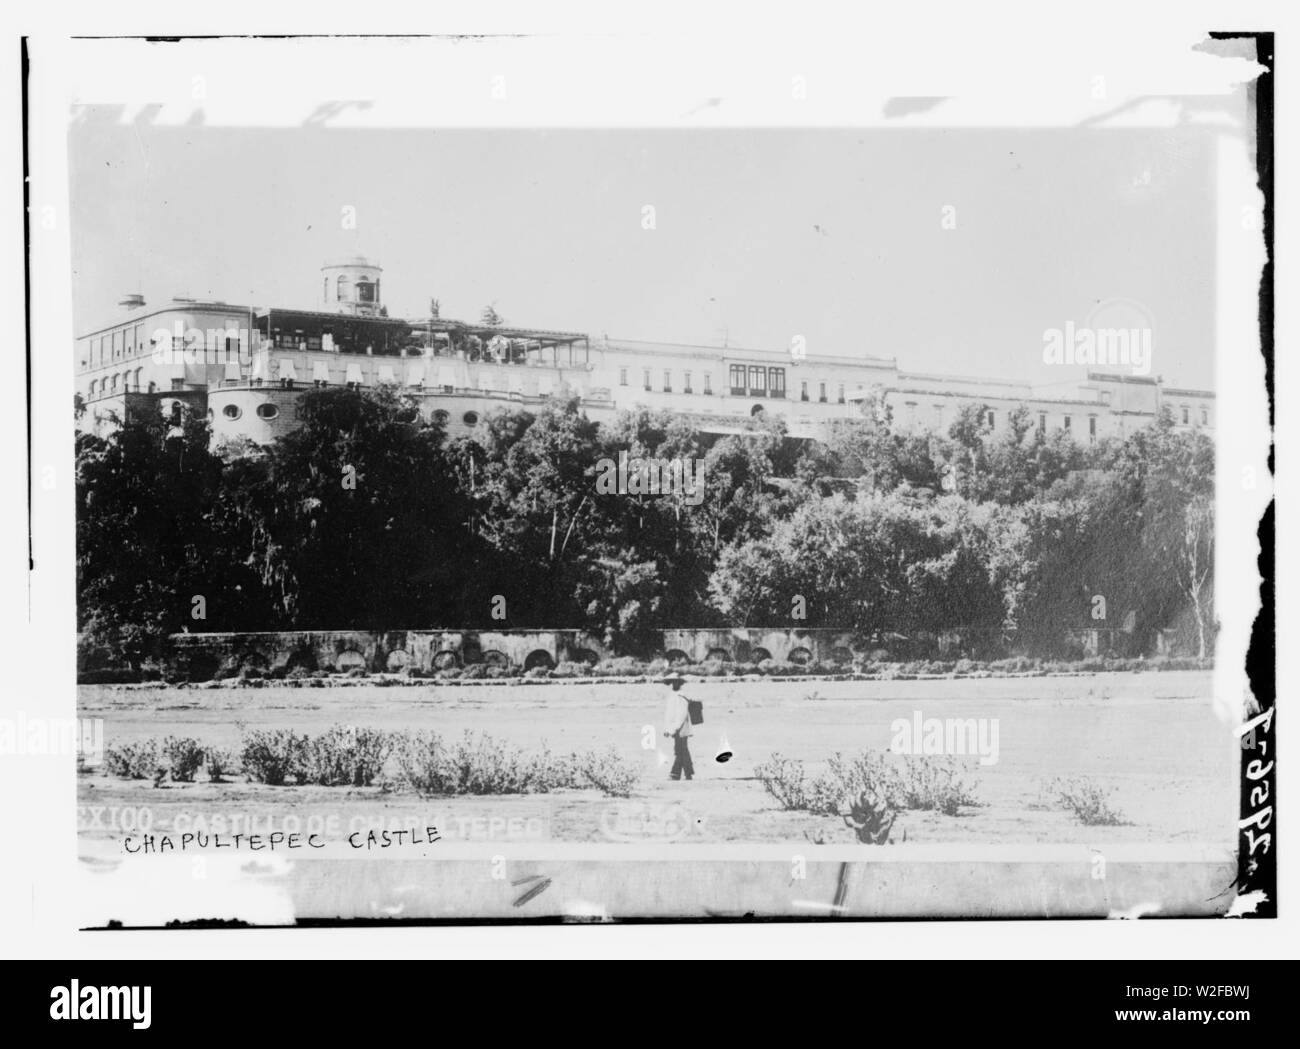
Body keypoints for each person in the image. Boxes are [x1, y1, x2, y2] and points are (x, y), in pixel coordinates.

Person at [662, 672, 694, 781]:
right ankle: (688, 773)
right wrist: (667, 728)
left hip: (681, 728)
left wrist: (675, 728)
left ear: (679, 683)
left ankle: (675, 774)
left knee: (679, 750)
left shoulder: (681, 696)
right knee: (682, 750)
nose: (674, 684)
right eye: (673, 682)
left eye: (676, 682)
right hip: (677, 727)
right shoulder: (673, 695)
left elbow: (681, 714)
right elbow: (670, 714)